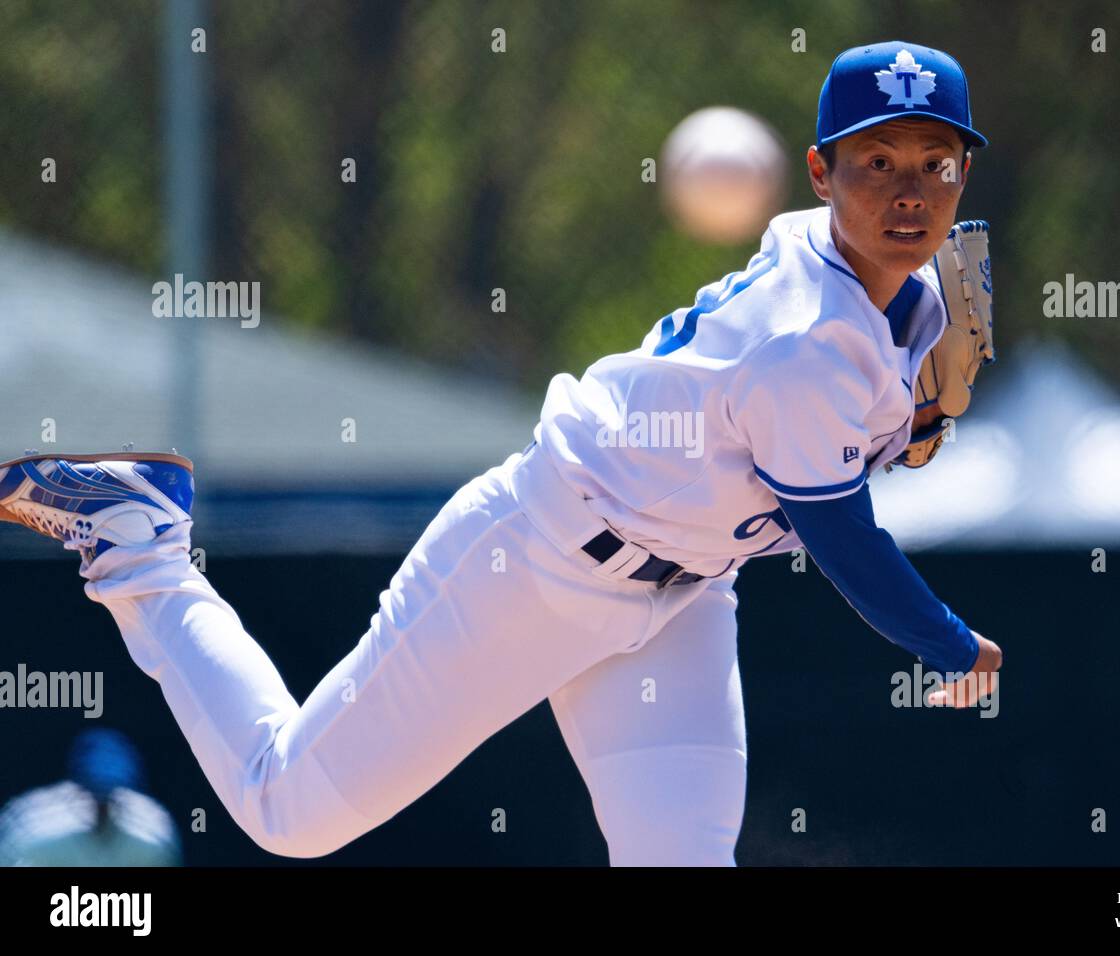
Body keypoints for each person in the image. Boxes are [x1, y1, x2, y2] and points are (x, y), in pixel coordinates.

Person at [0, 40, 1001, 866]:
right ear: (822, 172)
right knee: (287, 809)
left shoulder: (889, 291)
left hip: (684, 592)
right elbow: (844, 540)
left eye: (934, 161)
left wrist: (891, 422)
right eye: (877, 161)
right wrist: (949, 642)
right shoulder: (803, 335)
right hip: (534, 561)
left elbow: (797, 419)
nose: (909, 189)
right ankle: (142, 546)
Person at [0, 729, 181, 866]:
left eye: (109, 794)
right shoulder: (36, 830)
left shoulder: (152, 834)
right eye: (94, 791)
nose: (100, 804)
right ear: (79, 787)